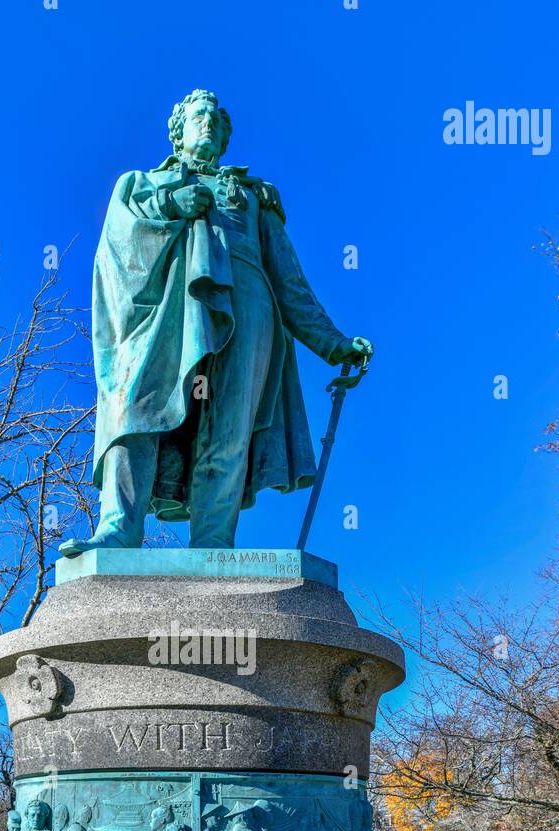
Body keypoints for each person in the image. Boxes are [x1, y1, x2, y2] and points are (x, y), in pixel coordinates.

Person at [60, 89, 372, 556]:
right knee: (135, 405)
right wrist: (171, 207)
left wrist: (333, 344)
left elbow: (289, 280)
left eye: (215, 120)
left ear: (225, 136)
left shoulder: (252, 195)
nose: (207, 124)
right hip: (165, 306)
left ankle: (212, 543)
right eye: (197, 117)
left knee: (228, 428)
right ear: (178, 131)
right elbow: (115, 246)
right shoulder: (140, 183)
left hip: (247, 305)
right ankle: (118, 529)